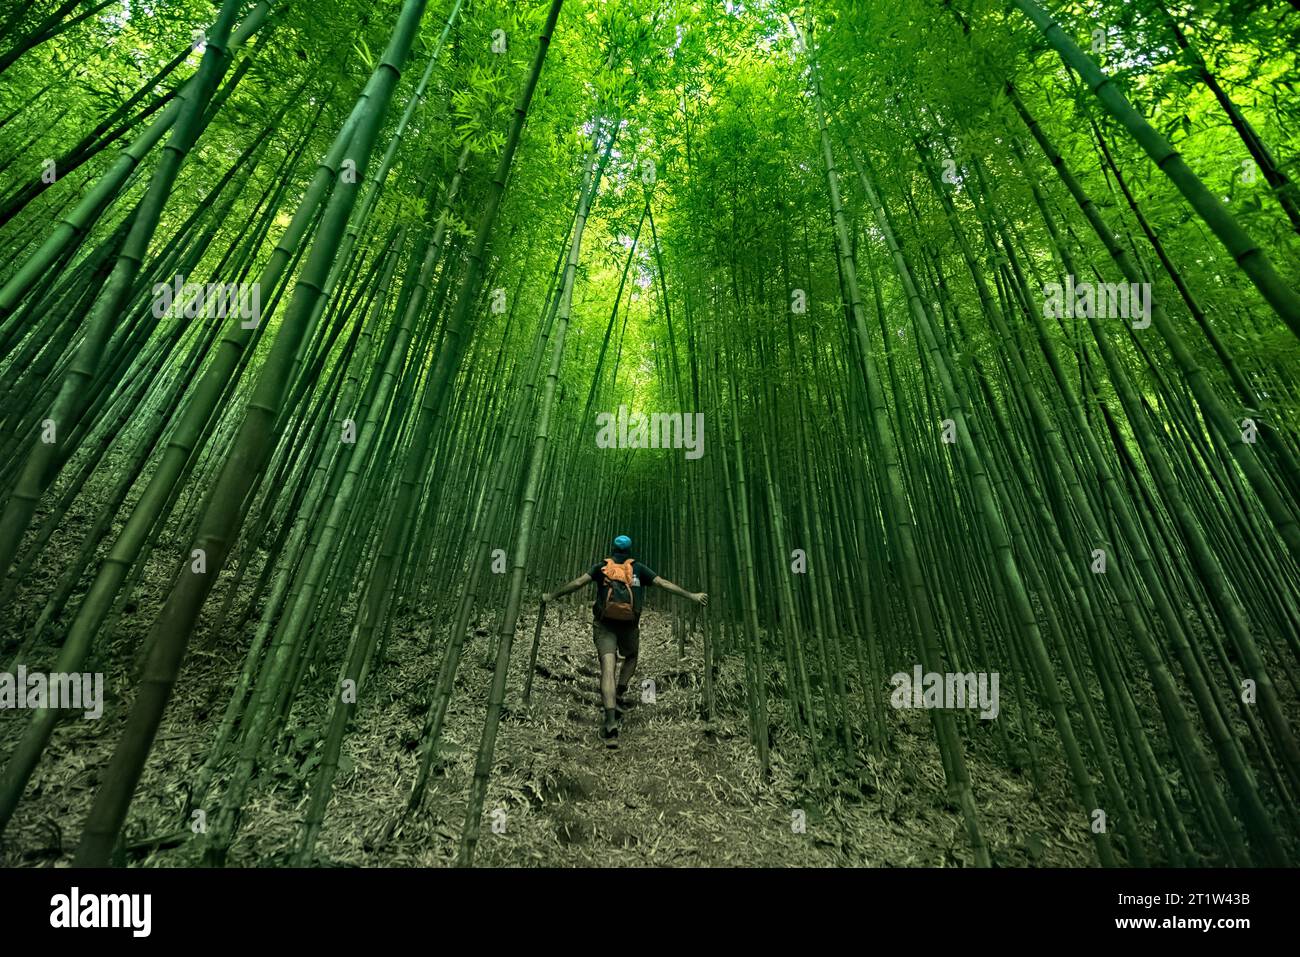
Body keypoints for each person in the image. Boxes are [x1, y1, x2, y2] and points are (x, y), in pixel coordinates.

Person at [542, 534, 707, 743]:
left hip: (604, 625)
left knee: (607, 669)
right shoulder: (638, 568)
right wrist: (692, 595)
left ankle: (610, 722)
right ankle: (620, 691)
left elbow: (578, 583)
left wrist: (552, 596)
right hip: (629, 626)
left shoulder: (602, 567)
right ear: (629, 551)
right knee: (631, 656)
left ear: (612, 549)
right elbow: (663, 584)